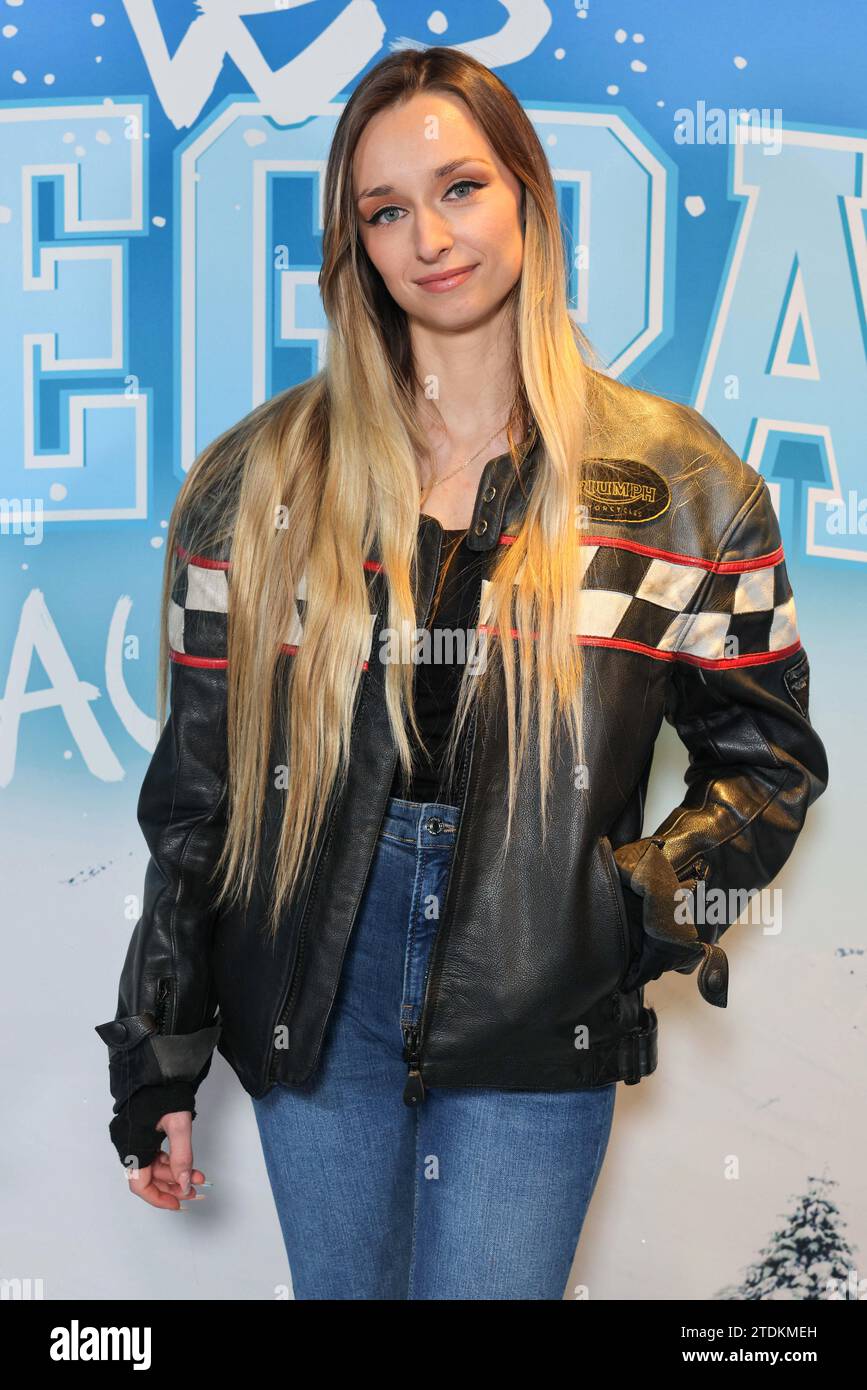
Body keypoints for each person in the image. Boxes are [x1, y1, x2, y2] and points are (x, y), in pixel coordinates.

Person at [95, 47, 829, 1300]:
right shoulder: (252, 485)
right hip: (312, 991)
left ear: (530, 200)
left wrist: (629, 913)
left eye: (460, 188)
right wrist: (159, 1054)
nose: (428, 237)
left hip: (536, 994)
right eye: (386, 210)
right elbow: (197, 796)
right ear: (357, 246)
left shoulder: (686, 491)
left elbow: (770, 764)